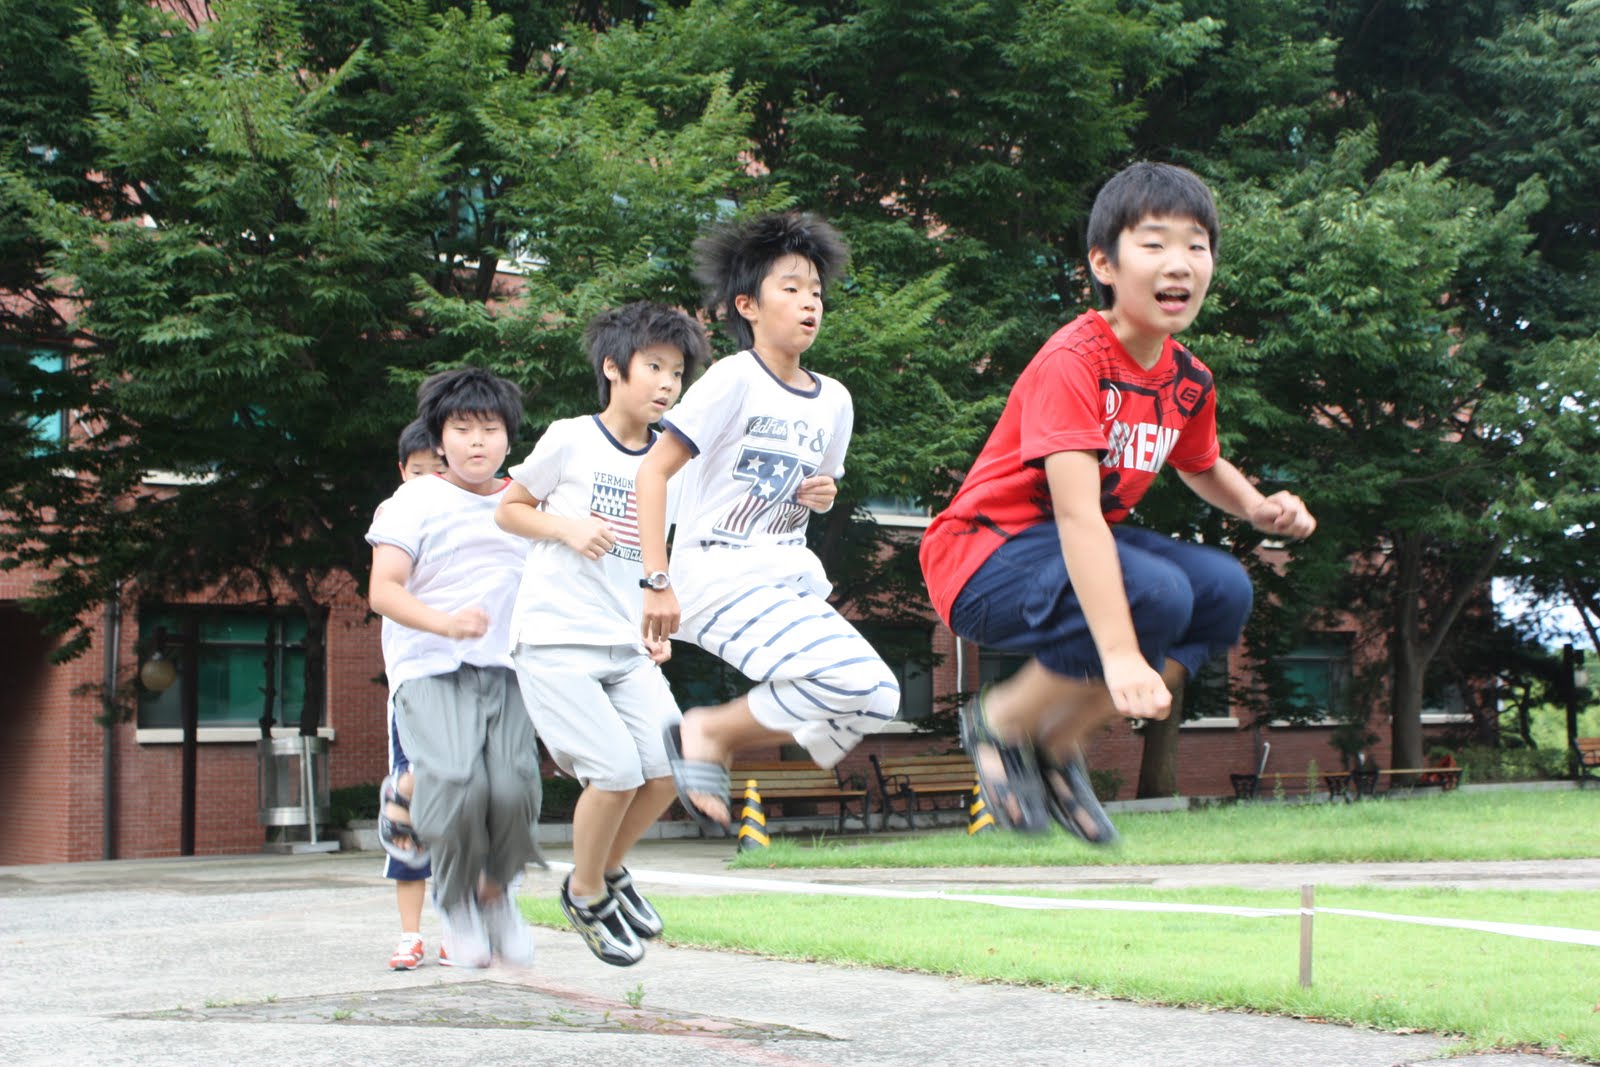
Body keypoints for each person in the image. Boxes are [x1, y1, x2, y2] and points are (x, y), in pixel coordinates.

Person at [918, 162, 1316, 840]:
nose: (1180, 264)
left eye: (1197, 245)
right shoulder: (1075, 360)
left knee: (1224, 590)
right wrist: (1123, 655)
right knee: (1155, 594)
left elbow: (1202, 460)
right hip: (982, 559)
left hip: (1065, 555)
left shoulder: (1188, 377)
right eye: (1155, 243)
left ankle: (1057, 741)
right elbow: (1076, 515)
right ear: (1104, 262)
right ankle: (1002, 719)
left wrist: (1256, 507)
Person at [635, 212, 901, 832]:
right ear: (748, 306)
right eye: (791, 288)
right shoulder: (733, 378)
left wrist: (824, 495)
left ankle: (712, 730)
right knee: (845, 676)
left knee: (878, 695)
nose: (809, 303)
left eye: (815, 292)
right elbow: (653, 474)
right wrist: (657, 581)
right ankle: (708, 732)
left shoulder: (834, 399)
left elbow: (822, 490)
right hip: (717, 571)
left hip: (784, 573)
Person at [496, 302, 710, 966]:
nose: (668, 384)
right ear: (614, 368)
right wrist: (566, 527)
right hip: (555, 640)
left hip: (625, 645)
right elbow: (509, 507)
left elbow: (658, 557)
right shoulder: (571, 437)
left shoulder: (671, 466)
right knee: (615, 773)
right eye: (654, 366)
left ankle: (607, 870)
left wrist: (656, 621)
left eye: (677, 372)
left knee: (673, 764)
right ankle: (585, 894)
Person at [366, 369, 543, 968]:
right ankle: (457, 900)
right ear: (438, 440)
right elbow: (383, 590)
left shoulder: (528, 502)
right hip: (429, 666)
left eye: (488, 429)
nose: (475, 441)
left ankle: (495, 895)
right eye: (461, 429)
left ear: (508, 438)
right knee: (459, 782)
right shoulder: (413, 500)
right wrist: (445, 624)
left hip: (508, 668)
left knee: (514, 787)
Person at [379, 419, 445, 971]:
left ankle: (461, 932)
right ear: (403, 473)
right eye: (418, 471)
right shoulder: (397, 516)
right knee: (411, 814)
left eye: (437, 471)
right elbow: (386, 589)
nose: (428, 480)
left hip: (473, 680)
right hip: (416, 682)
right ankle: (409, 934)